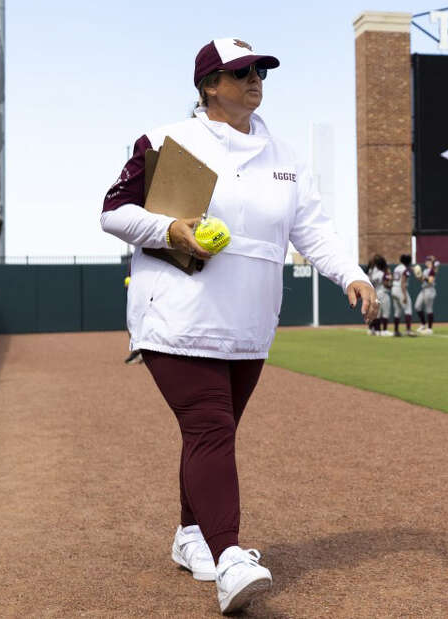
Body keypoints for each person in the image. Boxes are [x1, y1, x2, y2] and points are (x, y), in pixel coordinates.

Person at [99, 37, 378, 614]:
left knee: (209, 435)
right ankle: (229, 557)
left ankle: (190, 536)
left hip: (249, 323)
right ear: (209, 85)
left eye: (261, 71)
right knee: (211, 429)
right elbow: (113, 212)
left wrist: (351, 274)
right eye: (242, 71)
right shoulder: (167, 140)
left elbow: (313, 230)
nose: (255, 80)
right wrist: (169, 229)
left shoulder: (285, 156)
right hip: (177, 315)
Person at [391, 254, 416, 337]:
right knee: (408, 308)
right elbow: (403, 283)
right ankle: (408, 330)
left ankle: (396, 331)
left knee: (397, 311)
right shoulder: (405, 269)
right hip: (400, 289)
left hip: (394, 289)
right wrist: (404, 295)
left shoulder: (397, 268)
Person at [366, 254, 391, 335]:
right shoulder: (383, 272)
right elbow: (386, 284)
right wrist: (391, 283)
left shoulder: (372, 272)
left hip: (374, 293)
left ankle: (375, 330)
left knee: (376, 313)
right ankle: (384, 330)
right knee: (385, 312)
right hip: (383, 292)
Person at [414, 254, 439, 334]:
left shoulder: (432, 270)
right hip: (424, 289)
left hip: (430, 290)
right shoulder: (425, 270)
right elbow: (422, 280)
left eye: (428, 260)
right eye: (427, 260)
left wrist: (422, 276)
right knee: (417, 306)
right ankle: (423, 324)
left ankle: (430, 329)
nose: (427, 261)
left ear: (431, 262)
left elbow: (430, 281)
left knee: (429, 309)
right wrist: (418, 275)